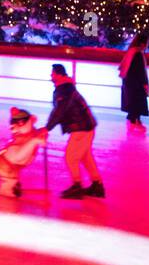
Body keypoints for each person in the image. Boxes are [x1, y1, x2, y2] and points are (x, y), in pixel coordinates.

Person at [39, 63, 104, 199]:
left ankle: (77, 186)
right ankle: (97, 185)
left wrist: (47, 127)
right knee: (85, 157)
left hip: (81, 127)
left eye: (53, 73)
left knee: (71, 157)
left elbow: (59, 111)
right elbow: (59, 110)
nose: (51, 75)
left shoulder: (64, 90)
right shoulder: (66, 87)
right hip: (85, 126)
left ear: (59, 74)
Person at [0, 107, 45, 198]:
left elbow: (37, 133)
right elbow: (18, 156)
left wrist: (42, 133)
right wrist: (35, 141)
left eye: (20, 123)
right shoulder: (23, 137)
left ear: (32, 120)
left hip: (11, 166)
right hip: (7, 163)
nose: (16, 129)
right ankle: (7, 192)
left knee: (9, 181)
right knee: (8, 183)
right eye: (13, 126)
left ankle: (9, 189)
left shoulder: (30, 133)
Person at [119, 32, 149, 131]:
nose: (147, 46)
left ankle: (134, 121)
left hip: (129, 83)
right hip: (136, 84)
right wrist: (145, 83)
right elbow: (140, 71)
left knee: (133, 104)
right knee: (137, 104)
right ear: (142, 43)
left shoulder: (131, 52)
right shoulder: (137, 54)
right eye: (147, 43)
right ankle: (134, 122)